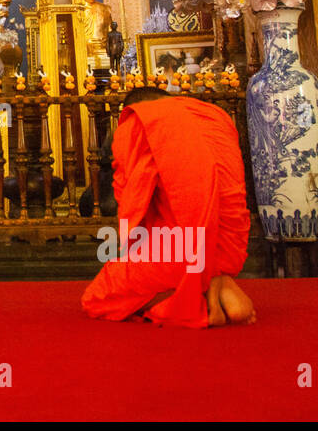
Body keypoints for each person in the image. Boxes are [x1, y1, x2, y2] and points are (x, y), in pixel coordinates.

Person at [81, 86, 255, 328]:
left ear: (135, 107)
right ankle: (219, 281)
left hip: (183, 253)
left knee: (98, 297)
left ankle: (200, 299)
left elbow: (131, 202)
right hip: (232, 251)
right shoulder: (217, 117)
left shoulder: (139, 122)